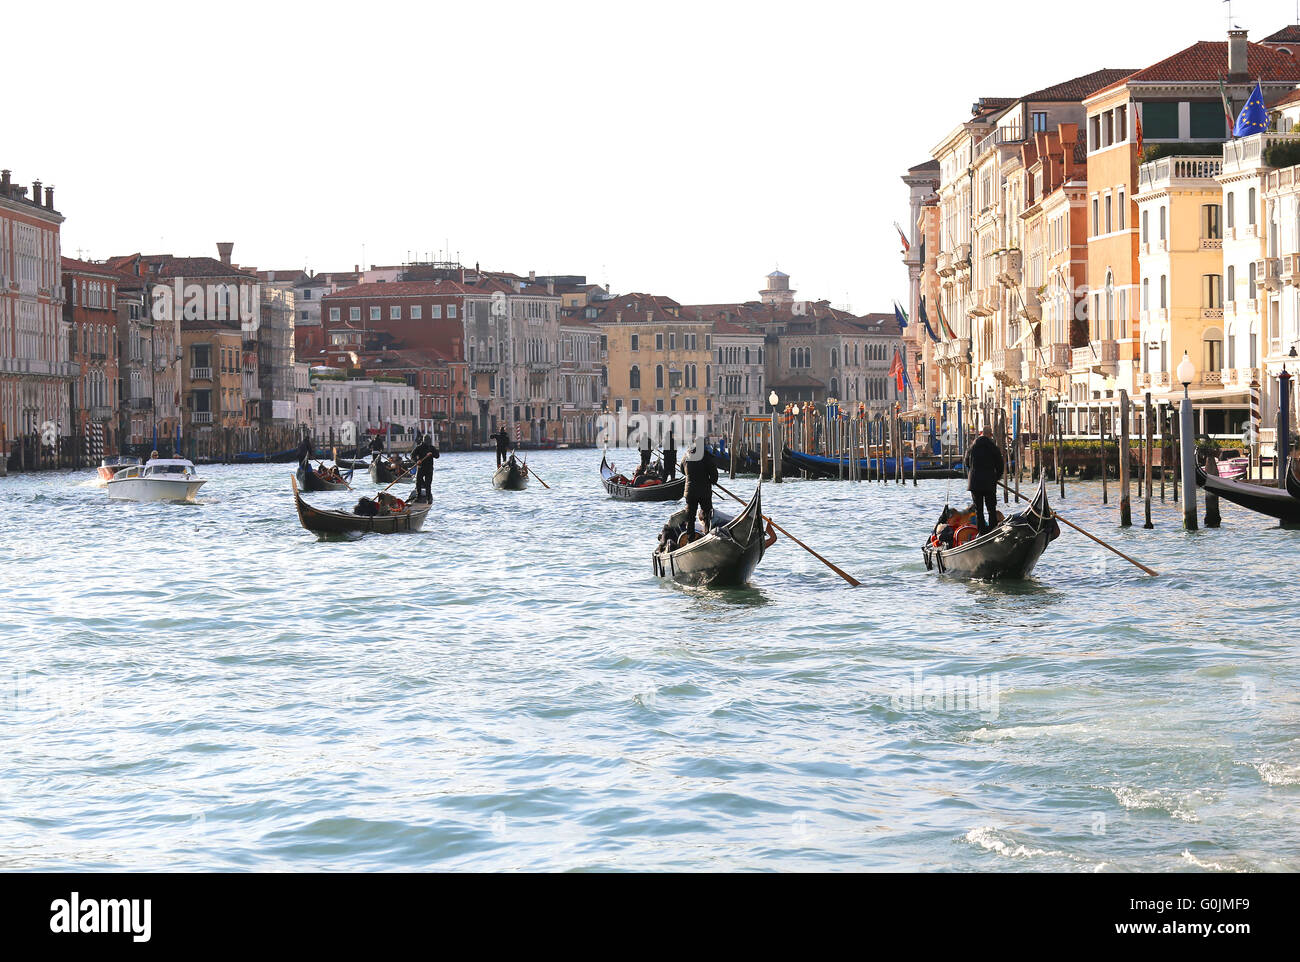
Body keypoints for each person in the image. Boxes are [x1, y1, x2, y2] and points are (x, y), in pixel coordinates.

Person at [965, 424, 1004, 534]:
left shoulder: (972, 447)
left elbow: (966, 462)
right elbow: (1000, 466)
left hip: (975, 483)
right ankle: (992, 530)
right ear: (990, 435)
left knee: (979, 510)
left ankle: (981, 532)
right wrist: (996, 478)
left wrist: (973, 472)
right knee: (991, 509)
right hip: (989, 483)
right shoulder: (993, 447)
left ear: (981, 433)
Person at [682, 437, 719, 538]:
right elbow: (714, 475)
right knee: (707, 514)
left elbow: (682, 470)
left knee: (690, 516)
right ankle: (708, 535)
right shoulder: (706, 455)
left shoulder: (686, 455)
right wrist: (712, 481)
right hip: (704, 491)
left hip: (690, 491)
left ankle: (690, 538)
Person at [410, 433, 439, 501]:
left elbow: (437, 455)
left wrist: (432, 454)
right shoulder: (419, 447)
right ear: (423, 441)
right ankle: (418, 496)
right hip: (421, 467)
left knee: (428, 483)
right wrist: (417, 460)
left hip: (429, 468)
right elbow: (412, 456)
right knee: (418, 482)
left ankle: (428, 498)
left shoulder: (431, 448)